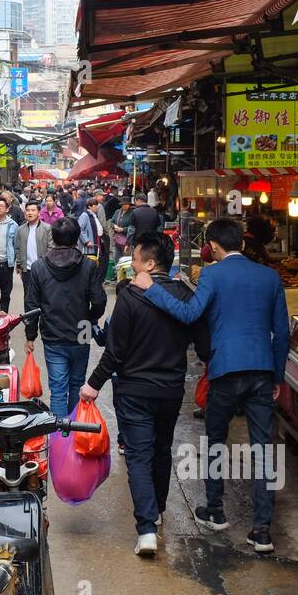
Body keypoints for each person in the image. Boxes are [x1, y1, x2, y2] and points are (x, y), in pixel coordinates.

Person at [142, 216, 289, 555]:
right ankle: (262, 531)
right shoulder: (270, 277)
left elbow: (189, 313)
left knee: (216, 441)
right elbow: (281, 334)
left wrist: (153, 290)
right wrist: (277, 377)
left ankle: (215, 509)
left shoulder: (212, 274)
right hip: (262, 372)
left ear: (216, 247)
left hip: (224, 370)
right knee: (263, 449)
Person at [80, 232, 211, 557]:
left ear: (150, 264)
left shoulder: (130, 296)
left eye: (136, 259)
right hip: (170, 390)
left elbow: (115, 350)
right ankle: (157, 510)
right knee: (162, 449)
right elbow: (205, 347)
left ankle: (147, 530)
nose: (132, 265)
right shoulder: (185, 296)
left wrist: (93, 385)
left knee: (139, 455)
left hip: (134, 390)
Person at [24, 217, 106, 419]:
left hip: (53, 334)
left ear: (53, 237)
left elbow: (32, 306)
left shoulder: (38, 267)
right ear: (77, 238)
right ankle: (76, 437)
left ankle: (60, 442)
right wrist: (91, 319)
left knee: (58, 390)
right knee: (78, 384)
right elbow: (98, 301)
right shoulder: (88, 266)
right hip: (82, 331)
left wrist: (30, 335)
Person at [16, 199, 51, 303]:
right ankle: (29, 319)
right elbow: (18, 248)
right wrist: (19, 265)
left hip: (43, 269)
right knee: (28, 297)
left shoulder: (47, 228)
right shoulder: (21, 229)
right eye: (27, 210)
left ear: (39, 212)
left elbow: (51, 248)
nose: (30, 213)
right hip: (27, 269)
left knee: (44, 296)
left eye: (33, 210)